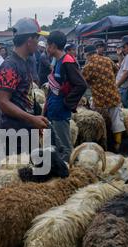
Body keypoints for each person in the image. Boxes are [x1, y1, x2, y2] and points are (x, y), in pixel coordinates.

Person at [0, 17, 50, 154]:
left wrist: (36, 118)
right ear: (29, 40)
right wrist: (32, 119)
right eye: (37, 38)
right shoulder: (10, 66)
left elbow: (25, 96)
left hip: (26, 129)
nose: (39, 43)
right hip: (15, 133)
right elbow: (2, 101)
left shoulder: (24, 62)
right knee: (19, 172)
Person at [45, 31, 87, 163]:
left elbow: (81, 85)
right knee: (57, 144)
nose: (46, 48)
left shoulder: (67, 62)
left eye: (47, 45)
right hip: (53, 108)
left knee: (65, 147)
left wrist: (67, 102)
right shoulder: (58, 61)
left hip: (60, 110)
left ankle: (70, 175)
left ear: (52, 45)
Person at [82, 45, 126, 152]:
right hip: (113, 96)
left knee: (100, 123)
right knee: (117, 121)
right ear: (95, 51)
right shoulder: (107, 60)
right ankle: (117, 146)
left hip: (99, 100)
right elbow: (116, 70)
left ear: (86, 54)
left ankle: (102, 145)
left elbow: (83, 83)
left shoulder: (88, 66)